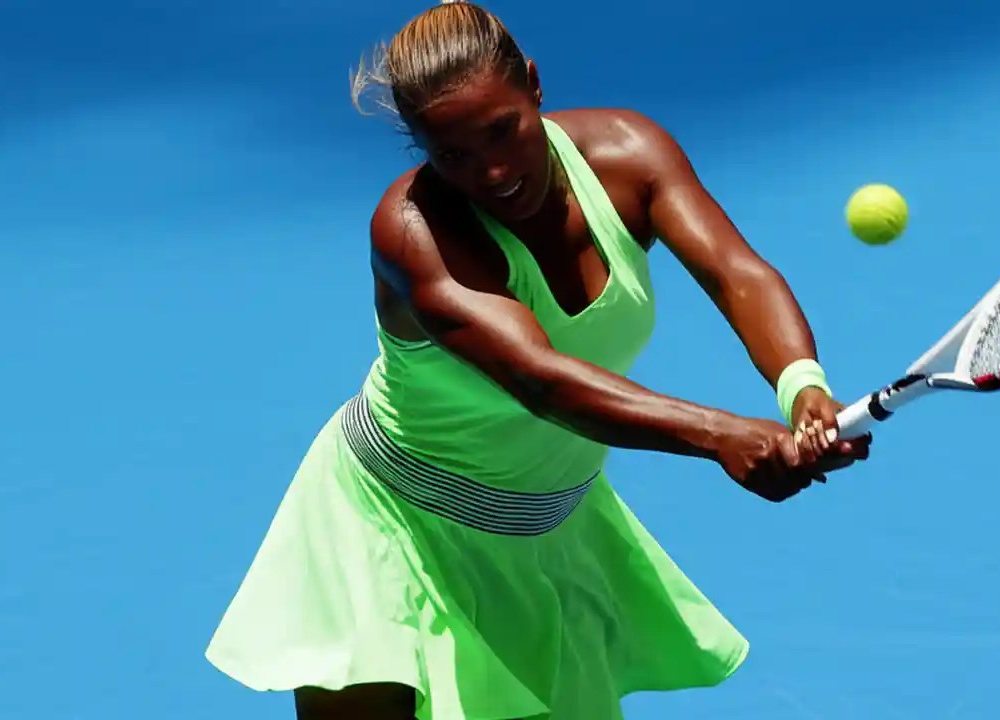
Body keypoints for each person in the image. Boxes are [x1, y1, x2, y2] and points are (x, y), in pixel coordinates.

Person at [204, 2, 871, 718]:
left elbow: (736, 272)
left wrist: (802, 386)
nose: (490, 171)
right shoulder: (412, 231)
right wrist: (719, 435)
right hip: (386, 531)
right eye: (451, 154)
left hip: (546, 536)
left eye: (503, 131)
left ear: (534, 85)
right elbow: (540, 379)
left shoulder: (630, 154)